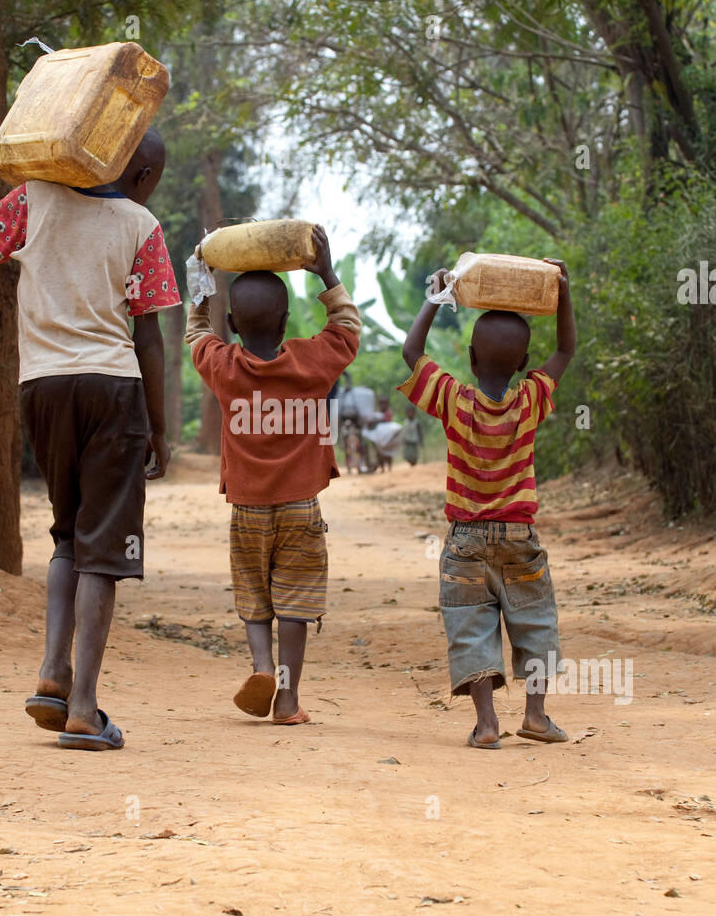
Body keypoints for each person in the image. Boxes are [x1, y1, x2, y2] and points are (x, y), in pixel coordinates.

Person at [0, 128, 180, 751]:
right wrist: (156, 428)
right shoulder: (141, 225)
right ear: (144, 175)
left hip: (42, 387)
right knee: (102, 548)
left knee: (67, 535)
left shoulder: (32, 200)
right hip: (112, 389)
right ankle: (83, 707)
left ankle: (52, 671)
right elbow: (148, 335)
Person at [186, 227, 360, 724]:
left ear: (234, 323)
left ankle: (261, 666)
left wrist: (203, 287)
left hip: (247, 509)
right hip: (302, 507)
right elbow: (347, 327)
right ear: (286, 319)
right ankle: (286, 697)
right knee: (297, 603)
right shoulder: (311, 360)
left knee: (254, 594)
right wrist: (325, 273)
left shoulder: (223, 366)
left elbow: (197, 332)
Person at [398, 260, 575, 749]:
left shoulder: (454, 401)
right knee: (534, 619)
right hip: (520, 537)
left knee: (470, 625)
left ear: (472, 360)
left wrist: (434, 298)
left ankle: (487, 723)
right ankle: (536, 716)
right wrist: (564, 293)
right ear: (524, 363)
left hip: (466, 540)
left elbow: (412, 351)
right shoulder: (532, 400)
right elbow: (565, 349)